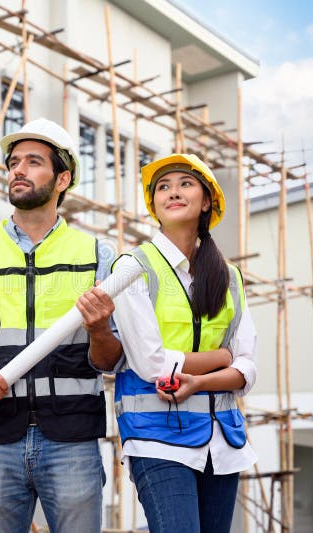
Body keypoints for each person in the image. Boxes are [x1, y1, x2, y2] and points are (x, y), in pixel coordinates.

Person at [0, 118, 122, 533]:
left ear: (62, 178)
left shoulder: (96, 255)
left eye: (33, 162)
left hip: (71, 439)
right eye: (14, 162)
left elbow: (110, 360)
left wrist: (100, 329)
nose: (18, 169)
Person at [111, 154, 257, 533]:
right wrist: (222, 357)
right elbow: (151, 364)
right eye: (163, 187)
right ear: (154, 205)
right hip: (157, 439)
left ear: (206, 201)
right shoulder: (133, 266)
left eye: (185, 184)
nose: (173, 192)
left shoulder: (230, 277)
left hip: (222, 442)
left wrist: (205, 377)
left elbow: (248, 367)